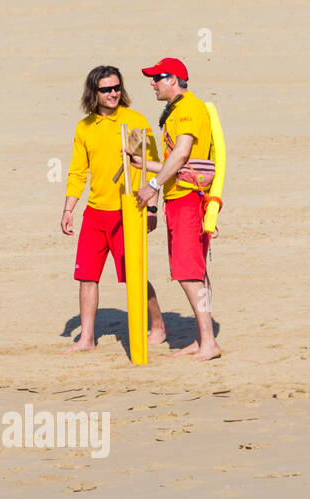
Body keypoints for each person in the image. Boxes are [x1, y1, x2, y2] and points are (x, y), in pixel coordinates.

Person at [61, 65, 166, 352]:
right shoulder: (85, 127)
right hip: (95, 212)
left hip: (128, 210)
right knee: (87, 276)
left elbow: (152, 169)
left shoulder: (134, 122)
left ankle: (158, 326)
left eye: (117, 87)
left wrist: (153, 210)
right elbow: (78, 172)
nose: (113, 93)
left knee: (134, 274)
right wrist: (69, 209)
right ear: (94, 92)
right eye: (106, 89)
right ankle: (86, 338)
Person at [129, 57, 220, 360]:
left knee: (188, 273)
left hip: (188, 199)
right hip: (183, 196)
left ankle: (209, 343)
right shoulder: (179, 110)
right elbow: (178, 161)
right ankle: (200, 338)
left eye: (157, 78)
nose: (152, 83)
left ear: (173, 80)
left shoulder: (188, 109)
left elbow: (181, 156)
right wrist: (144, 164)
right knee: (195, 271)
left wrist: (152, 186)